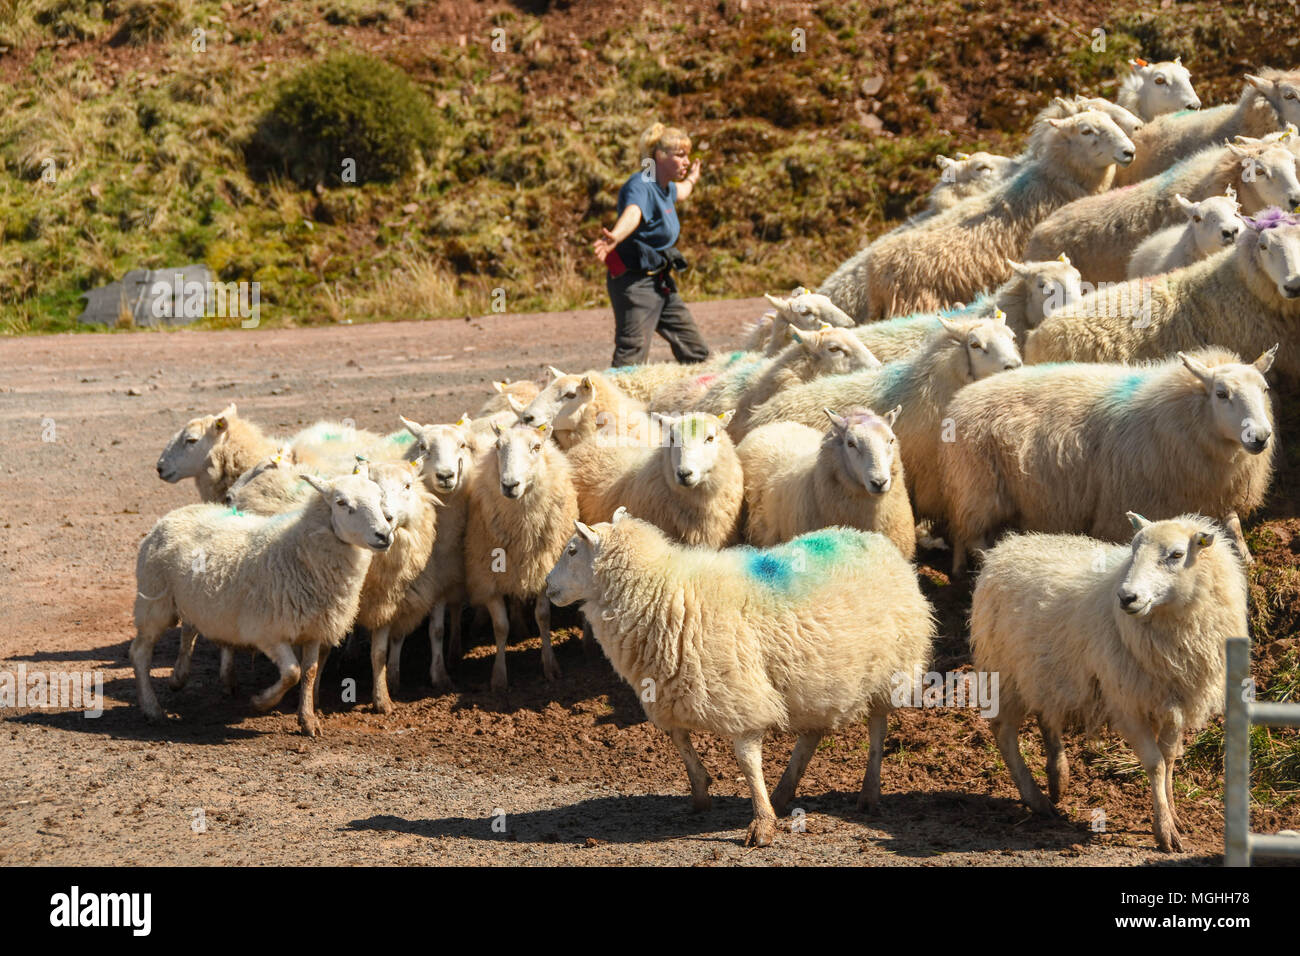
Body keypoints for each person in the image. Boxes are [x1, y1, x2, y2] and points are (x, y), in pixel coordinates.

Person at [593, 122, 711, 368]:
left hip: (660, 282)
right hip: (635, 284)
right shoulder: (642, 183)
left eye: (687, 155)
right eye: (680, 155)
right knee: (631, 359)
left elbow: (682, 192)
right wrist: (616, 235)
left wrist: (692, 179)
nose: (687, 161)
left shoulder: (664, 186)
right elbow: (634, 212)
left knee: (697, 352)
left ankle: (696, 401)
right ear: (659, 156)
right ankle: (610, 404)